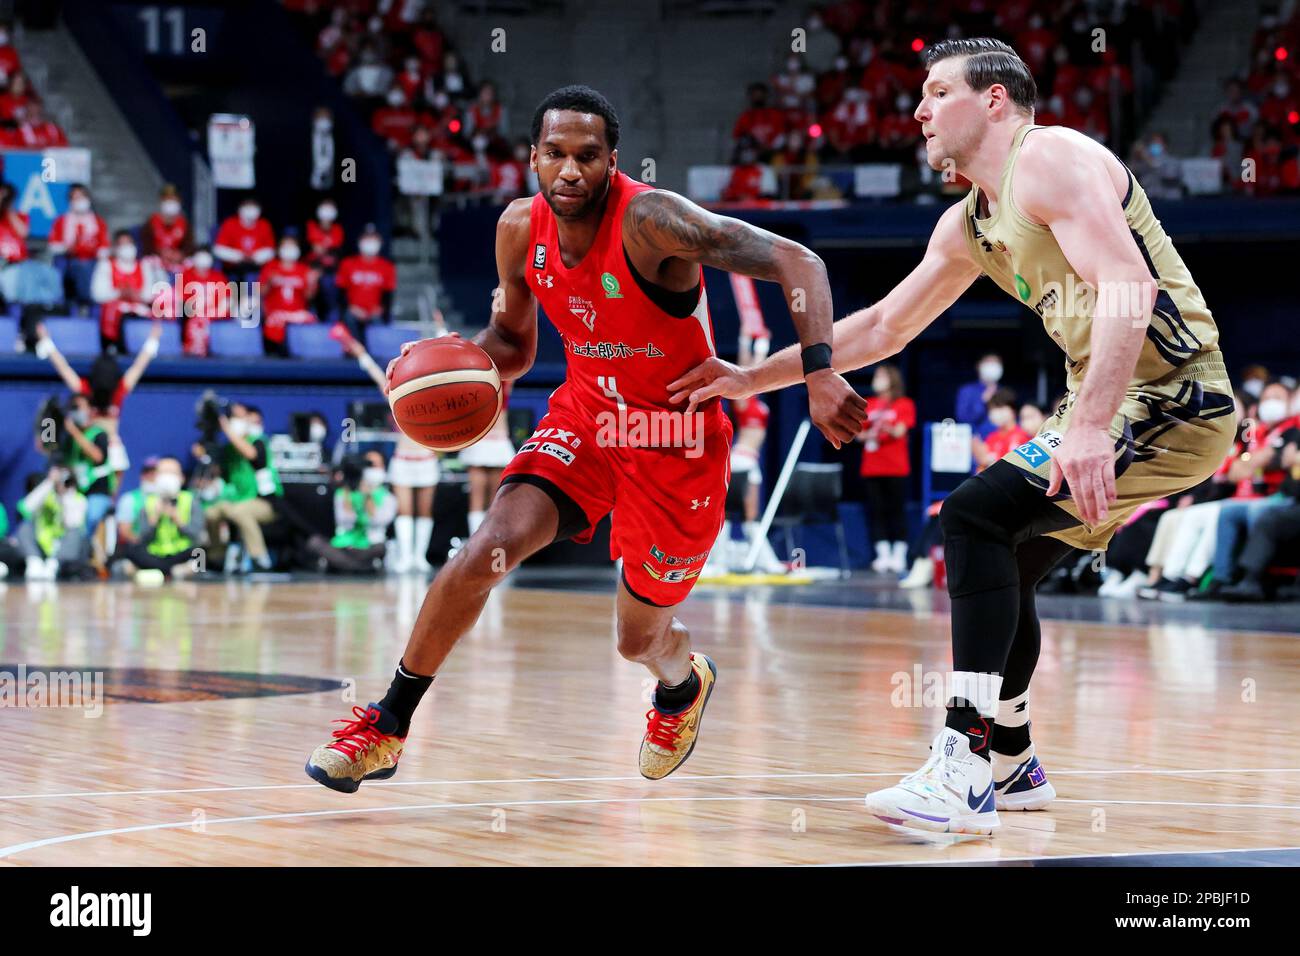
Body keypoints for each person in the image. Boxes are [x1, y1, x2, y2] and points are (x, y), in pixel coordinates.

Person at [671, 39, 1233, 836]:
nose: (920, 110)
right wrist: (747, 376)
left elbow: (1130, 287)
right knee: (1007, 555)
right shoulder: (970, 219)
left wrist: (1093, 426)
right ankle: (1011, 760)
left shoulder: (1052, 157)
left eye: (938, 92)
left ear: (995, 99)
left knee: (971, 517)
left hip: (1175, 396)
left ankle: (963, 770)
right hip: (1114, 403)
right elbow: (881, 327)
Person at [305, 84, 863, 793]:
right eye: (556, 154)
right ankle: (386, 726)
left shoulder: (654, 221)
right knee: (482, 551)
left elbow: (800, 263)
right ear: (533, 158)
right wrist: (449, 368)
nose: (571, 170)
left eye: (588, 156)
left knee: (636, 641)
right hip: (588, 421)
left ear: (612, 161)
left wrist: (818, 372)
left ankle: (681, 684)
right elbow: (511, 342)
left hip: (675, 441)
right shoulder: (517, 229)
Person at [344, 334, 439, 573]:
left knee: (425, 510)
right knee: (405, 510)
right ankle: (406, 557)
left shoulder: (438, 393)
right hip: (403, 460)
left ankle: (420, 557)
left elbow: (444, 361)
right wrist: (362, 356)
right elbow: (379, 378)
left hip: (427, 459)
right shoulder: (399, 395)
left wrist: (439, 333)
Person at [203, 404, 283, 573]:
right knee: (211, 512)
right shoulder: (228, 450)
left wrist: (227, 430)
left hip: (265, 503)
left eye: (241, 417)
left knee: (240, 511)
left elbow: (251, 455)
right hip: (236, 501)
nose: (237, 421)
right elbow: (221, 477)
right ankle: (217, 556)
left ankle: (260, 559)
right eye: (234, 417)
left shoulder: (259, 441)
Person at [858, 363, 915, 575]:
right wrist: (871, 433)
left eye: (882, 376)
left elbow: (900, 431)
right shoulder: (868, 404)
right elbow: (858, 434)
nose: (877, 379)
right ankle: (882, 554)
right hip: (872, 467)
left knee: (896, 510)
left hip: (896, 467)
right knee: (876, 511)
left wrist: (885, 427)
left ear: (892, 379)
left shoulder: (903, 404)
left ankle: (899, 554)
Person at [305, 452, 396, 574]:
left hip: (368, 544)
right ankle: (361, 568)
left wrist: (368, 498)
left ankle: (343, 566)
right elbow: (345, 521)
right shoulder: (343, 493)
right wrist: (349, 497)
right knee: (314, 542)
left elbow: (378, 521)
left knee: (380, 548)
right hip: (345, 546)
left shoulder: (386, 496)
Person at [116, 457, 205, 580]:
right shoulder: (149, 502)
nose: (167, 478)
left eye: (172, 473)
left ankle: (161, 572)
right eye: (163, 473)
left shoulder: (190, 500)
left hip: (181, 553)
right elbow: (142, 538)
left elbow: (196, 535)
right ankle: (166, 571)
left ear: (182, 477)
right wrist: (154, 519)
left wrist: (178, 521)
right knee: (131, 550)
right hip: (155, 554)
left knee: (201, 553)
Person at [91, 231, 162, 354]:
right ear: (116, 248)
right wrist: (120, 293)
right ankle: (115, 348)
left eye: (129, 244)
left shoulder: (144, 266)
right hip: (115, 311)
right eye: (122, 245)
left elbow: (149, 294)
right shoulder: (106, 265)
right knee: (118, 315)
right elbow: (98, 294)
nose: (127, 248)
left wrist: (136, 295)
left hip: (139, 309)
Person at [15, 468, 89, 581]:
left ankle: (54, 564)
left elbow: (72, 522)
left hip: (63, 549)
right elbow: (26, 507)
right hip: (42, 544)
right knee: (25, 526)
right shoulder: (46, 495)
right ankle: (34, 561)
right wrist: (49, 482)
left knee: (75, 532)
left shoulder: (79, 499)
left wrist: (66, 495)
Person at [48, 183, 109, 311]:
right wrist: (67, 248)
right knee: (61, 267)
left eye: (81, 197)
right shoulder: (61, 221)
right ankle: (60, 306)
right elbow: (53, 246)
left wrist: (92, 253)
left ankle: (86, 302)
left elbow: (104, 249)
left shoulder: (98, 222)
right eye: (74, 198)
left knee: (87, 268)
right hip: (68, 260)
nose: (78, 201)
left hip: (91, 261)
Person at [335, 225, 396, 342]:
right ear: (360, 241)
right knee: (348, 318)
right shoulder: (348, 264)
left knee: (379, 325)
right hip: (353, 311)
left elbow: (388, 295)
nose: (370, 242)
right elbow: (341, 293)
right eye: (367, 239)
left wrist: (379, 309)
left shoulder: (387, 266)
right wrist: (351, 308)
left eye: (373, 239)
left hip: (374, 312)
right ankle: (353, 352)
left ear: (380, 242)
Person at [258, 235, 317, 357]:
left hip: (297, 313)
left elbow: (309, 297)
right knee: (275, 325)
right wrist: (270, 281)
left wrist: (312, 283)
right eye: (286, 246)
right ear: (279, 249)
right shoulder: (270, 267)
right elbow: (260, 292)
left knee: (311, 321)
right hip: (276, 313)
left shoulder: (304, 269)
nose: (289, 250)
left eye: (292, 246)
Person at [213, 197, 275, 287]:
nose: (250, 211)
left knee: (252, 289)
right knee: (234, 290)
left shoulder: (264, 225)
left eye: (253, 207)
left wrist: (257, 256)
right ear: (240, 209)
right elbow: (219, 249)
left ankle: (252, 299)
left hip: (256, 267)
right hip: (233, 267)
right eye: (247, 207)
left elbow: (270, 250)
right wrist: (238, 256)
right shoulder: (230, 223)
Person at [141, 184, 192, 274]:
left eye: (174, 200)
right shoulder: (151, 222)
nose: (171, 203)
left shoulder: (184, 223)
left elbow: (189, 246)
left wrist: (180, 254)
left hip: (177, 262)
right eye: (168, 200)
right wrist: (160, 252)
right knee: (146, 262)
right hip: (157, 261)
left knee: (191, 263)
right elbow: (145, 247)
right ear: (161, 202)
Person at [955, 352, 1004, 433]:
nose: (992, 366)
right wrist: (982, 402)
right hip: (975, 439)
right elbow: (962, 418)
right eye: (988, 362)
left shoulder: (1004, 391)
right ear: (978, 365)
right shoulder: (967, 391)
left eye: (996, 363)